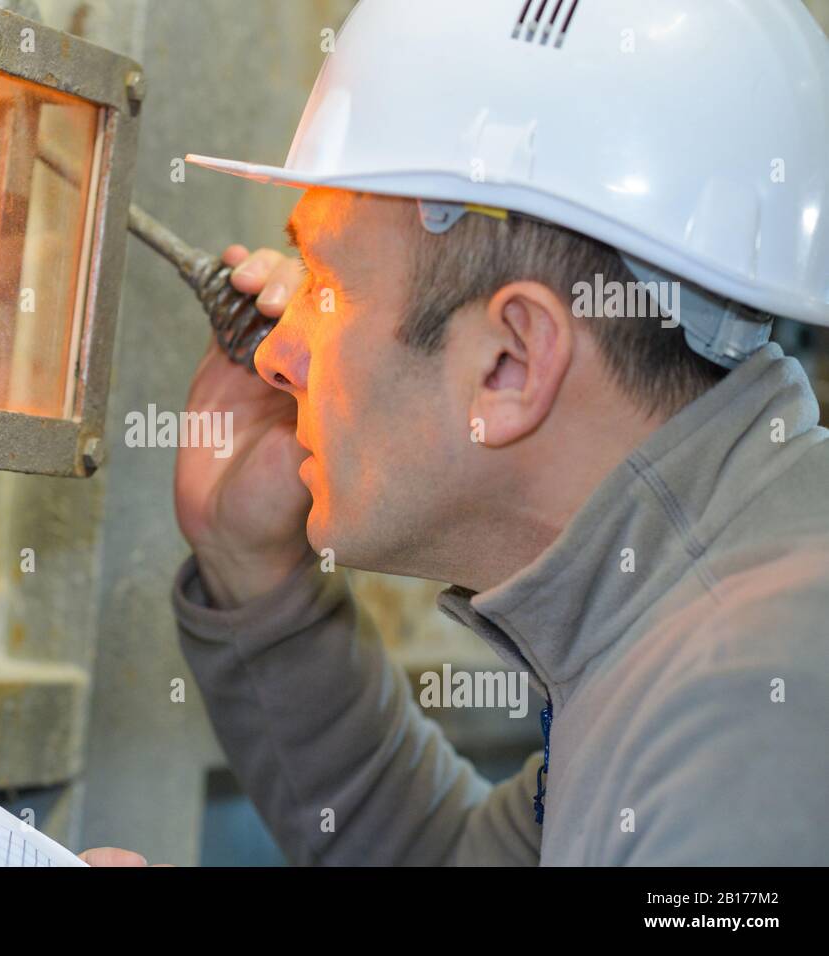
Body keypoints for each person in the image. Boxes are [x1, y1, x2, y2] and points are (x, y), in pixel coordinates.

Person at [88, 0, 829, 865]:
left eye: (328, 285)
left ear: (512, 363)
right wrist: (256, 572)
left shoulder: (754, 703)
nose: (276, 357)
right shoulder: (685, 611)